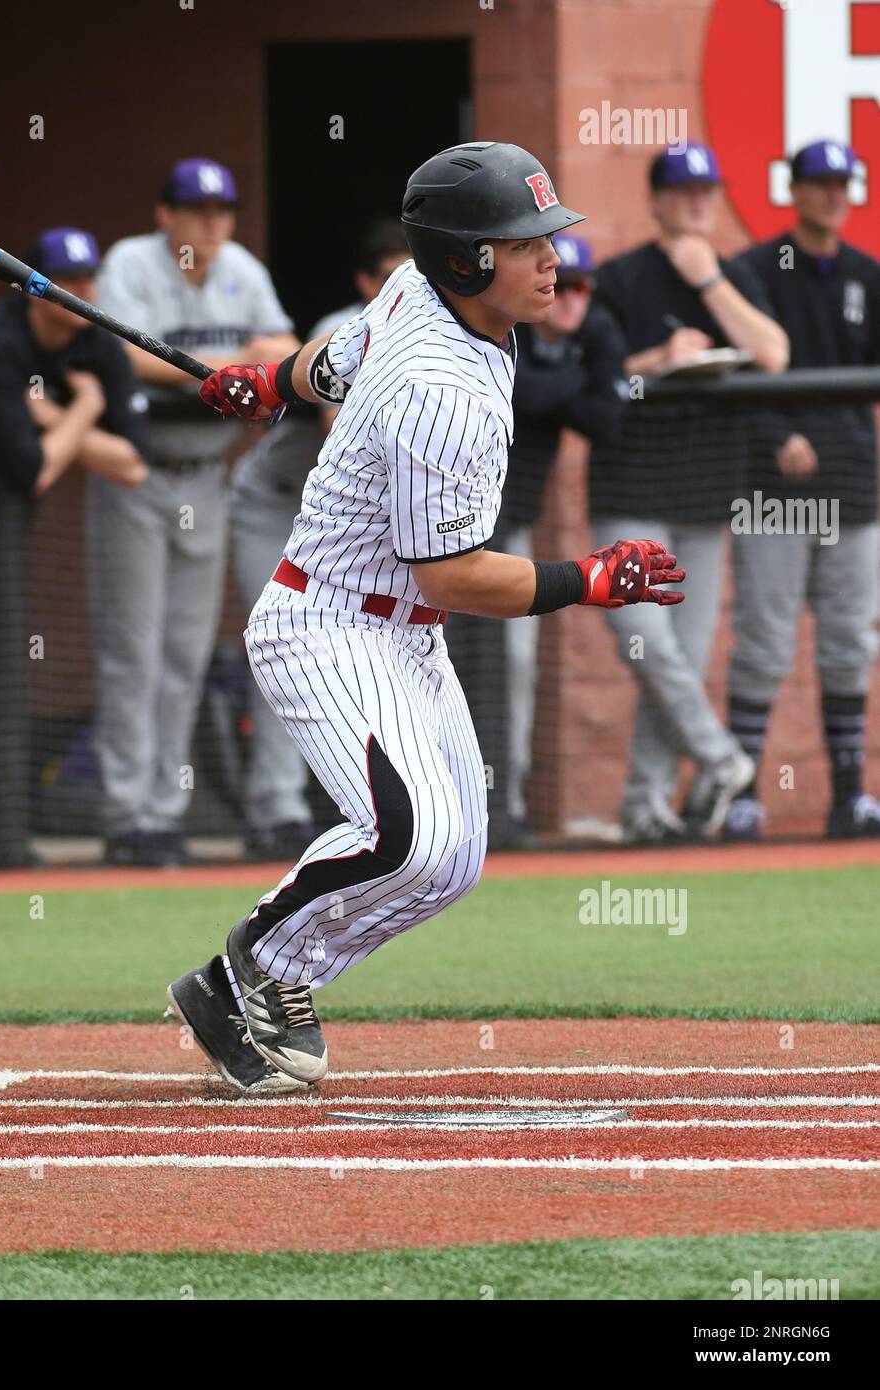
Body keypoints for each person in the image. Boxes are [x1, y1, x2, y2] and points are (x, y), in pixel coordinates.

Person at [165, 141, 685, 1095]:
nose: (549, 260)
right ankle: (245, 972)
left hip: (398, 628)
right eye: (523, 244)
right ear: (465, 259)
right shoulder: (436, 390)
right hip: (327, 623)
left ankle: (267, 980)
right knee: (404, 835)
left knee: (452, 860)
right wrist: (588, 579)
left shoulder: (416, 290)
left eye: (545, 238)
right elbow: (449, 575)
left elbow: (341, 355)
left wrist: (271, 380)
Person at [92, 158, 299, 868]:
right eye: (197, 210)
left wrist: (232, 360)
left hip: (208, 475)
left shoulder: (240, 267)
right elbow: (123, 355)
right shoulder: (131, 263)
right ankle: (126, 814)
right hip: (138, 473)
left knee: (184, 651)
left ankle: (163, 813)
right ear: (165, 214)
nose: (212, 223)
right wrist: (226, 364)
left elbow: (281, 349)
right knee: (134, 650)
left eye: (223, 210)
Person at [589, 143, 789, 844]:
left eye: (707, 191)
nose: (698, 203)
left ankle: (645, 805)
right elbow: (595, 368)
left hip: (706, 490)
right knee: (647, 644)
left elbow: (771, 353)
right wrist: (659, 361)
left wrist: (707, 282)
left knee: (680, 653)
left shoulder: (728, 273)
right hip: (631, 482)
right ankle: (721, 758)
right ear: (657, 201)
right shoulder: (618, 277)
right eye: (684, 192)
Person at [0, 227, 148, 869]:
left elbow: (133, 466)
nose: (78, 293)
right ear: (29, 288)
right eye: (62, 283)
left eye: (86, 280)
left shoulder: (98, 338)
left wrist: (63, 417)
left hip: (7, 533)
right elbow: (32, 471)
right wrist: (81, 413)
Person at [230, 218, 411, 861]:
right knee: (286, 643)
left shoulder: (440, 335)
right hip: (277, 505)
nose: (404, 285)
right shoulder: (345, 327)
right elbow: (343, 426)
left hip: (348, 520)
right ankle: (275, 809)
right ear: (367, 282)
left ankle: (352, 810)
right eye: (389, 274)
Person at [723, 140, 880, 841]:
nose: (829, 195)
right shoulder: (756, 269)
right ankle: (742, 795)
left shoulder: (866, 274)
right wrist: (775, 432)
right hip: (771, 485)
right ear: (793, 190)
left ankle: (848, 795)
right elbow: (735, 374)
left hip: (852, 481)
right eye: (816, 183)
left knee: (849, 640)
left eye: (839, 183)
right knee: (762, 640)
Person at [497, 233, 628, 848]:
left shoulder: (595, 330)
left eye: (581, 287)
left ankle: (507, 803)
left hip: (511, 527)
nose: (571, 299)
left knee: (516, 666)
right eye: (563, 284)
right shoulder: (506, 328)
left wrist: (566, 384)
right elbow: (517, 398)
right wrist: (574, 383)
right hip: (432, 532)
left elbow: (607, 421)